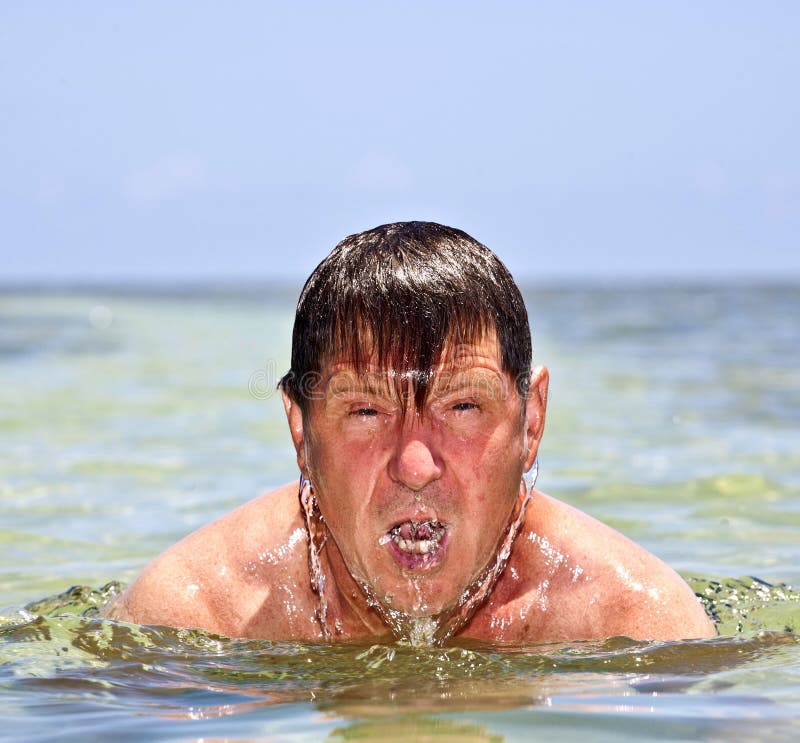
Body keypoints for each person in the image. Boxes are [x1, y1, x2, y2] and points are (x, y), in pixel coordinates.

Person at [108, 222, 714, 644]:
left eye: (462, 407)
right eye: (367, 412)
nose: (416, 465)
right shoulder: (192, 616)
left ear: (531, 420)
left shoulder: (636, 624)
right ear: (301, 429)